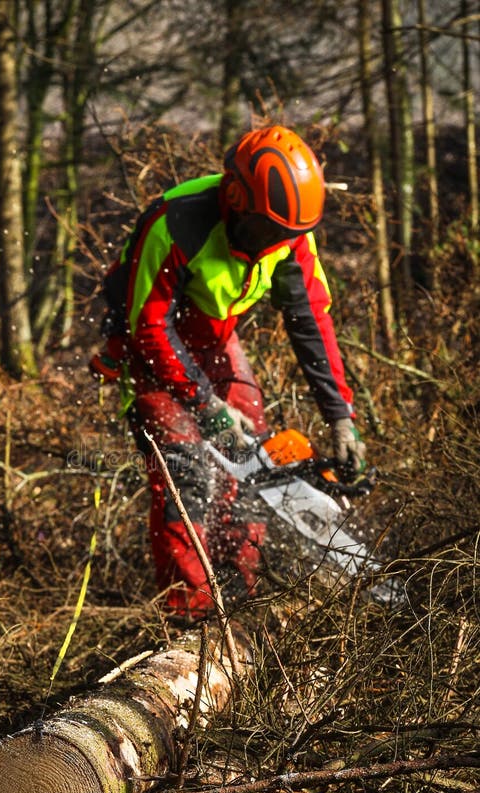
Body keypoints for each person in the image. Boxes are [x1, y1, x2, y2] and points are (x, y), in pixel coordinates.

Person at [91, 125, 366, 617]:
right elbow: (150, 327)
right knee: (186, 472)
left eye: (289, 234)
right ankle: (190, 618)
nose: (279, 242)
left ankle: (239, 600)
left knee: (252, 459)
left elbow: (311, 322)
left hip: (215, 336)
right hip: (152, 339)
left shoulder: (289, 236)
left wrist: (339, 414)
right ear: (238, 201)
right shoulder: (177, 223)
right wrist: (205, 404)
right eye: (273, 231)